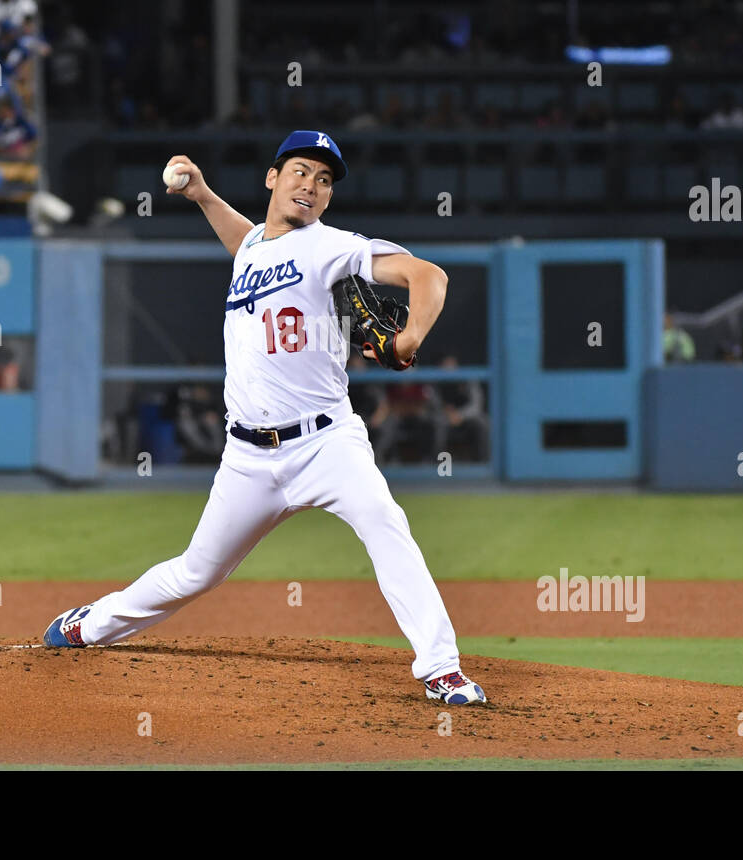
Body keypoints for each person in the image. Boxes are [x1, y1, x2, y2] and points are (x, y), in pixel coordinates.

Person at [43, 131, 487, 704]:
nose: (312, 185)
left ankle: (440, 668)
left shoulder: (331, 246)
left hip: (326, 443)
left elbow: (430, 276)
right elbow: (247, 242)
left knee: (386, 525)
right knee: (196, 572)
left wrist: (410, 337)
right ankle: (92, 624)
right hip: (248, 457)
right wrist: (203, 195)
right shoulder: (256, 246)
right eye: (302, 171)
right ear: (273, 179)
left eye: (325, 180)